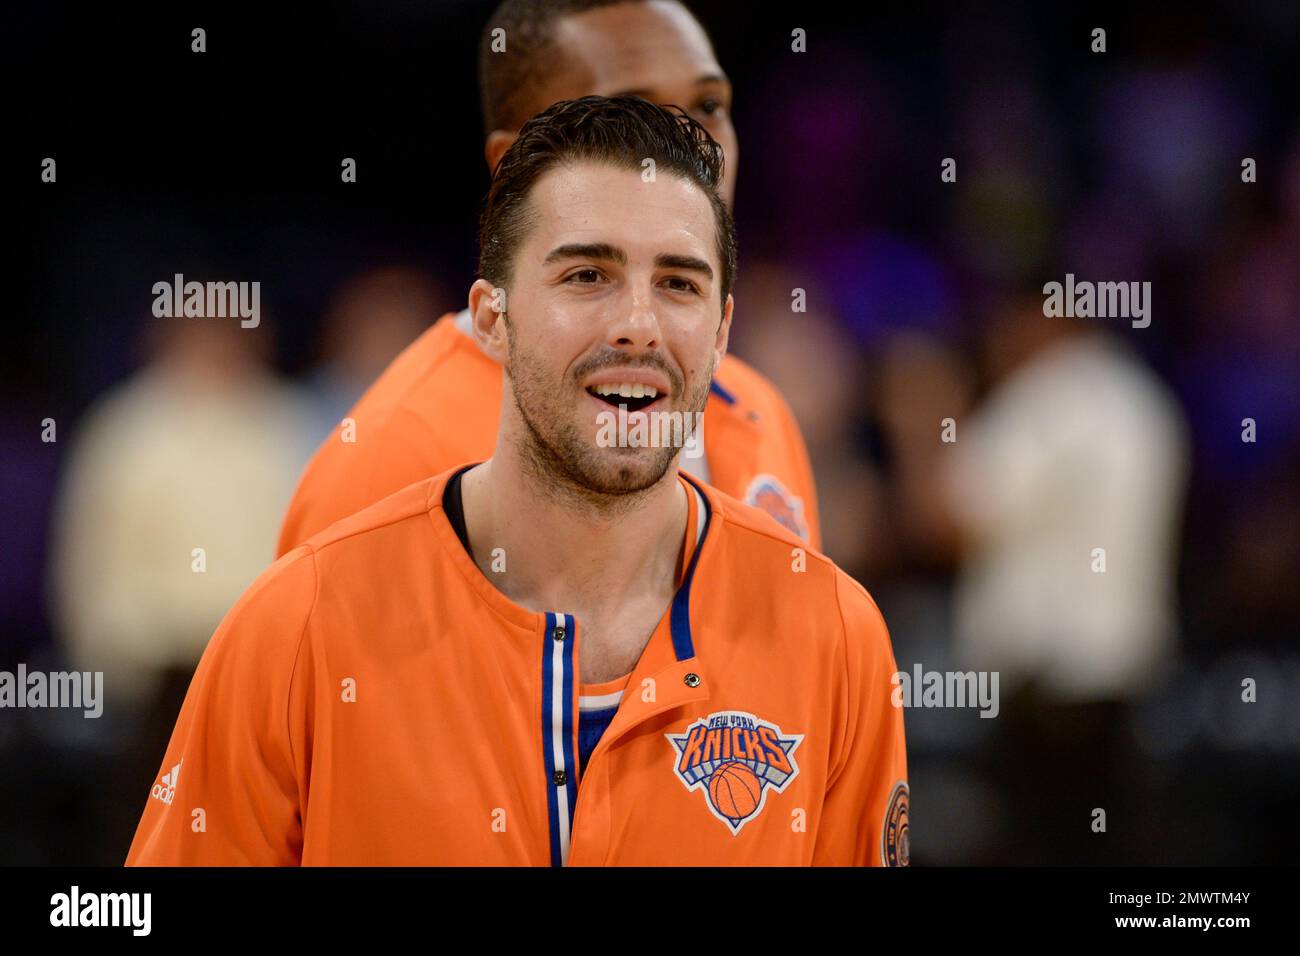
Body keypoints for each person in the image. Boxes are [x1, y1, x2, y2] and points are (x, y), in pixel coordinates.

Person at [126, 97, 907, 866]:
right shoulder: (297, 626)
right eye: (587, 275)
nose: (638, 322)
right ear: (491, 321)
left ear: (722, 331)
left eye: (678, 284)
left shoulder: (834, 634)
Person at [276, 0, 820, 556]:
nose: (689, 154)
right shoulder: (390, 458)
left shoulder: (762, 414)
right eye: (630, 117)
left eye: (707, 106)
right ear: (515, 164)